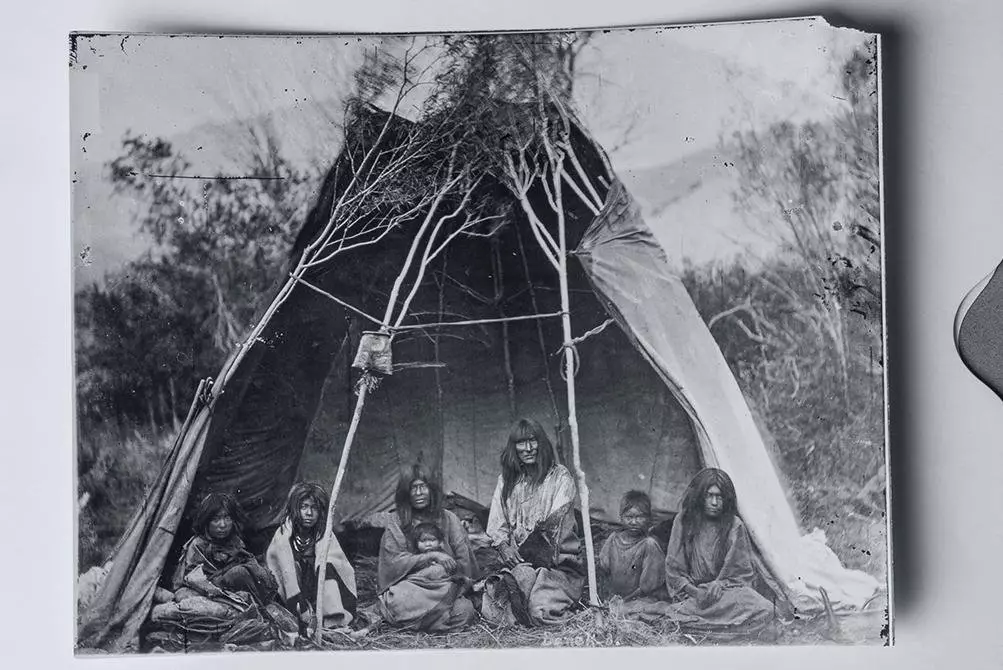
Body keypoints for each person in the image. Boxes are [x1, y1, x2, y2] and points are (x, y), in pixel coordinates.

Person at [663, 468, 790, 642]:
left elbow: (742, 574)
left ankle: (702, 630)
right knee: (671, 613)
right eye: (709, 496)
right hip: (693, 597)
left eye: (720, 497)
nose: (714, 502)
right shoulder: (684, 521)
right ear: (700, 496)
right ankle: (727, 631)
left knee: (766, 609)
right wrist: (695, 592)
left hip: (725, 596)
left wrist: (720, 584)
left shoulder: (734, 525)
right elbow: (674, 571)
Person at [481, 418, 583, 627]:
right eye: (521, 443)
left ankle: (537, 597)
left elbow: (551, 532)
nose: (528, 449)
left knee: (540, 612)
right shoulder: (507, 481)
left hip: (557, 566)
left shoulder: (560, 478)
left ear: (542, 443)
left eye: (532, 441)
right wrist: (504, 547)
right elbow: (497, 524)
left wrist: (523, 560)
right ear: (513, 447)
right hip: (519, 563)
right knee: (495, 614)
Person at [375, 464, 478, 632]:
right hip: (412, 589)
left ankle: (417, 622)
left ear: (432, 489)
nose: (418, 493)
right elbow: (392, 562)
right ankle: (432, 620)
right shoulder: (396, 521)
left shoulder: (449, 518)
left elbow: (463, 559)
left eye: (423, 487)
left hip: (446, 585)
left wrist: (457, 581)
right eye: (413, 488)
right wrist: (432, 557)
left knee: (464, 611)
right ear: (405, 493)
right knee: (397, 600)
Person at [265, 482, 358, 635]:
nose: (309, 513)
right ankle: (300, 615)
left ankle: (331, 617)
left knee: (327, 564)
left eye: (314, 508)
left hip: (320, 595)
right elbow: (280, 572)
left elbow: (340, 567)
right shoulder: (283, 536)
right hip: (290, 596)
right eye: (304, 507)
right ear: (295, 509)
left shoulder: (324, 535)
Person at [171, 492, 279, 609]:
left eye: (227, 518)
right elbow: (193, 579)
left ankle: (260, 605)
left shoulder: (235, 542)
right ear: (206, 521)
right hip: (204, 590)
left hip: (230, 590)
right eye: (216, 519)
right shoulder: (197, 545)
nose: (222, 525)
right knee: (238, 573)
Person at [377, 522, 477, 632]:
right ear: (416, 544)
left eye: (432, 540)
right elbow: (412, 580)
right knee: (399, 596)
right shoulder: (416, 559)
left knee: (465, 609)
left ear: (440, 542)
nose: (428, 544)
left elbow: (454, 577)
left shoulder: (447, 558)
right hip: (419, 594)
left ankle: (428, 623)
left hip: (440, 595)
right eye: (423, 541)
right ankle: (419, 621)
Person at [598, 490, 667, 603]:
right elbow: (603, 570)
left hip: (640, 599)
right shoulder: (613, 539)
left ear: (649, 518)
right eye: (629, 517)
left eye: (640, 517)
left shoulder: (649, 545)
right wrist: (607, 597)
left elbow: (648, 586)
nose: (634, 522)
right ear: (621, 518)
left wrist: (624, 601)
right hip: (615, 598)